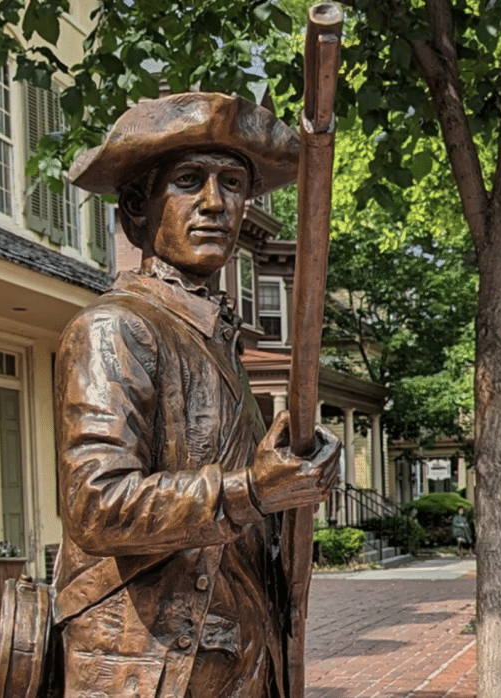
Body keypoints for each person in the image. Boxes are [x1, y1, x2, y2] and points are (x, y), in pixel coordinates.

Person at [52, 92, 342, 698]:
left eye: (233, 183)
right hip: (147, 666)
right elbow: (96, 506)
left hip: (237, 656)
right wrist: (250, 489)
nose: (216, 203)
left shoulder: (214, 337)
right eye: (189, 180)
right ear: (138, 207)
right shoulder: (114, 328)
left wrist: (297, 474)